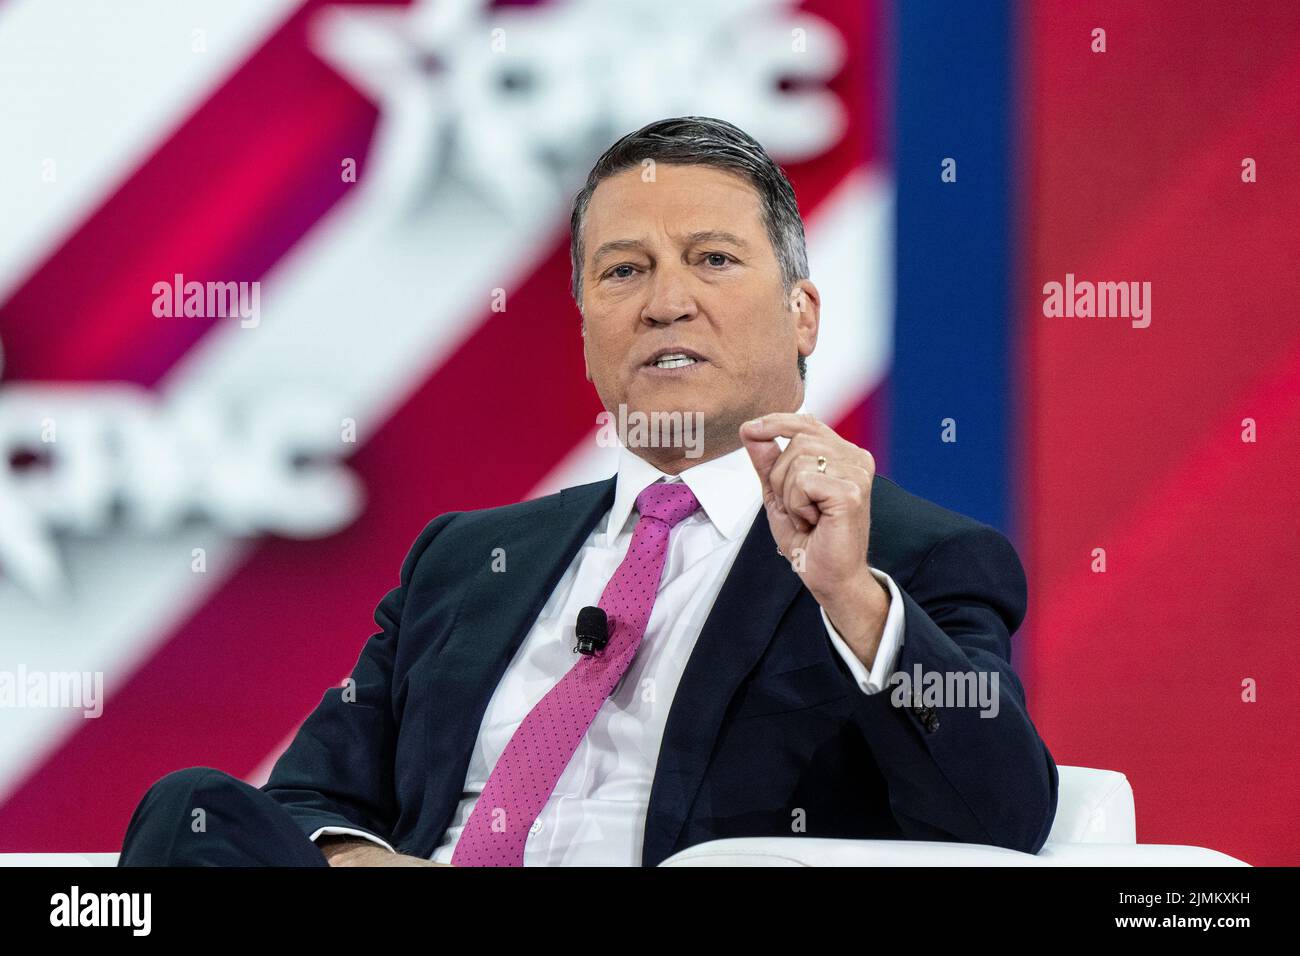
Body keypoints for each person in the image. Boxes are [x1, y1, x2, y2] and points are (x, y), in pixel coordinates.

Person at [119, 115, 1057, 867]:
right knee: (193, 814)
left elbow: (1003, 815)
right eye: (623, 271)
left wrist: (850, 598)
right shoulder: (464, 561)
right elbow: (313, 795)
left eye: (715, 259)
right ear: (585, 331)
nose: (664, 302)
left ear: (802, 314)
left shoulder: (906, 558)